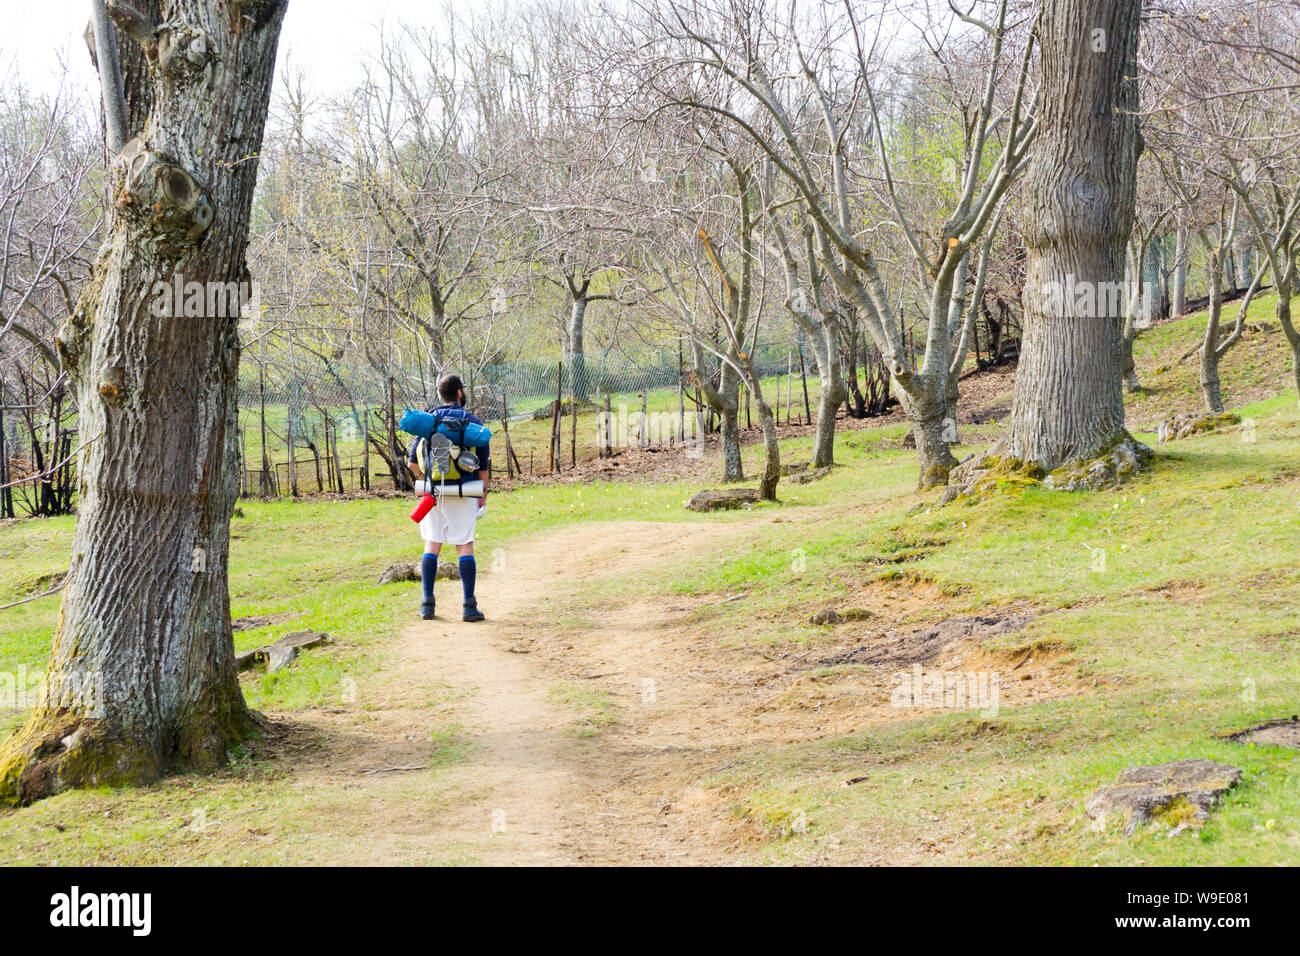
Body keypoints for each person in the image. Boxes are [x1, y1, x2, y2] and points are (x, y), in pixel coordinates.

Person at [406, 373, 490, 622]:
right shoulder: (472, 422)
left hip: (434, 493)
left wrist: (426, 479)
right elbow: (482, 465)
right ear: (460, 393)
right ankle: (468, 606)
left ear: (440, 395)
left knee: (432, 543)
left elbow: (411, 462)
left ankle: (427, 605)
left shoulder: (427, 422)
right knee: (464, 545)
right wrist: (483, 494)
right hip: (464, 491)